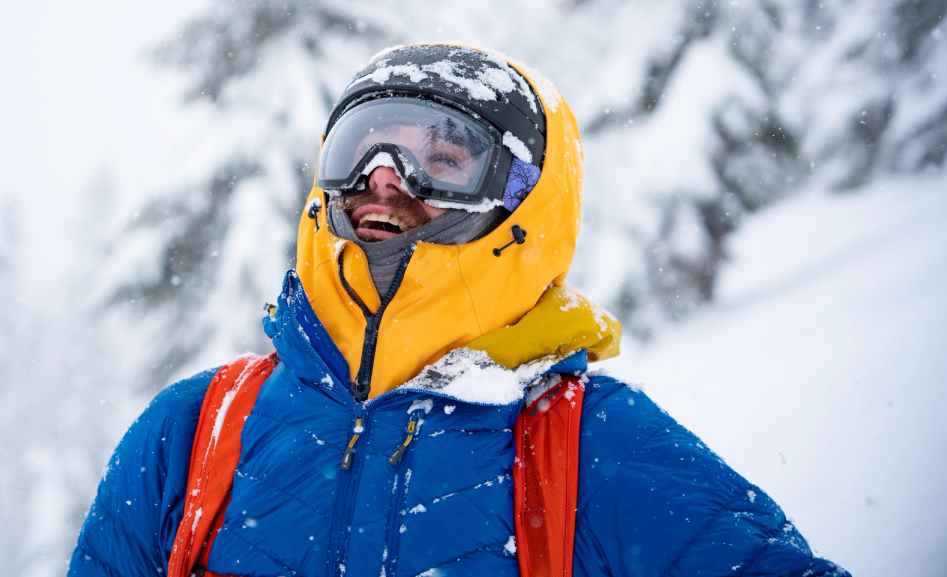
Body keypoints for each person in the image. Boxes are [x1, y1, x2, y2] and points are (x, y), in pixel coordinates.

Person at [69, 44, 847, 577]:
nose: (385, 178)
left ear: (522, 201)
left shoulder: (590, 446)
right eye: (363, 150)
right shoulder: (195, 431)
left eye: (443, 160)